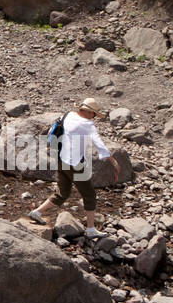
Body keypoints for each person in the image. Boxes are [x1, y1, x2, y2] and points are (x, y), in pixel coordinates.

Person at [28, 97, 119, 238]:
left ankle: (37, 212)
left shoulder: (67, 115)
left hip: (60, 159)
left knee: (63, 193)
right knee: (89, 195)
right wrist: (113, 161)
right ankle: (90, 229)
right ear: (89, 112)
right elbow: (99, 143)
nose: (94, 117)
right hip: (74, 164)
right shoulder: (87, 124)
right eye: (94, 114)